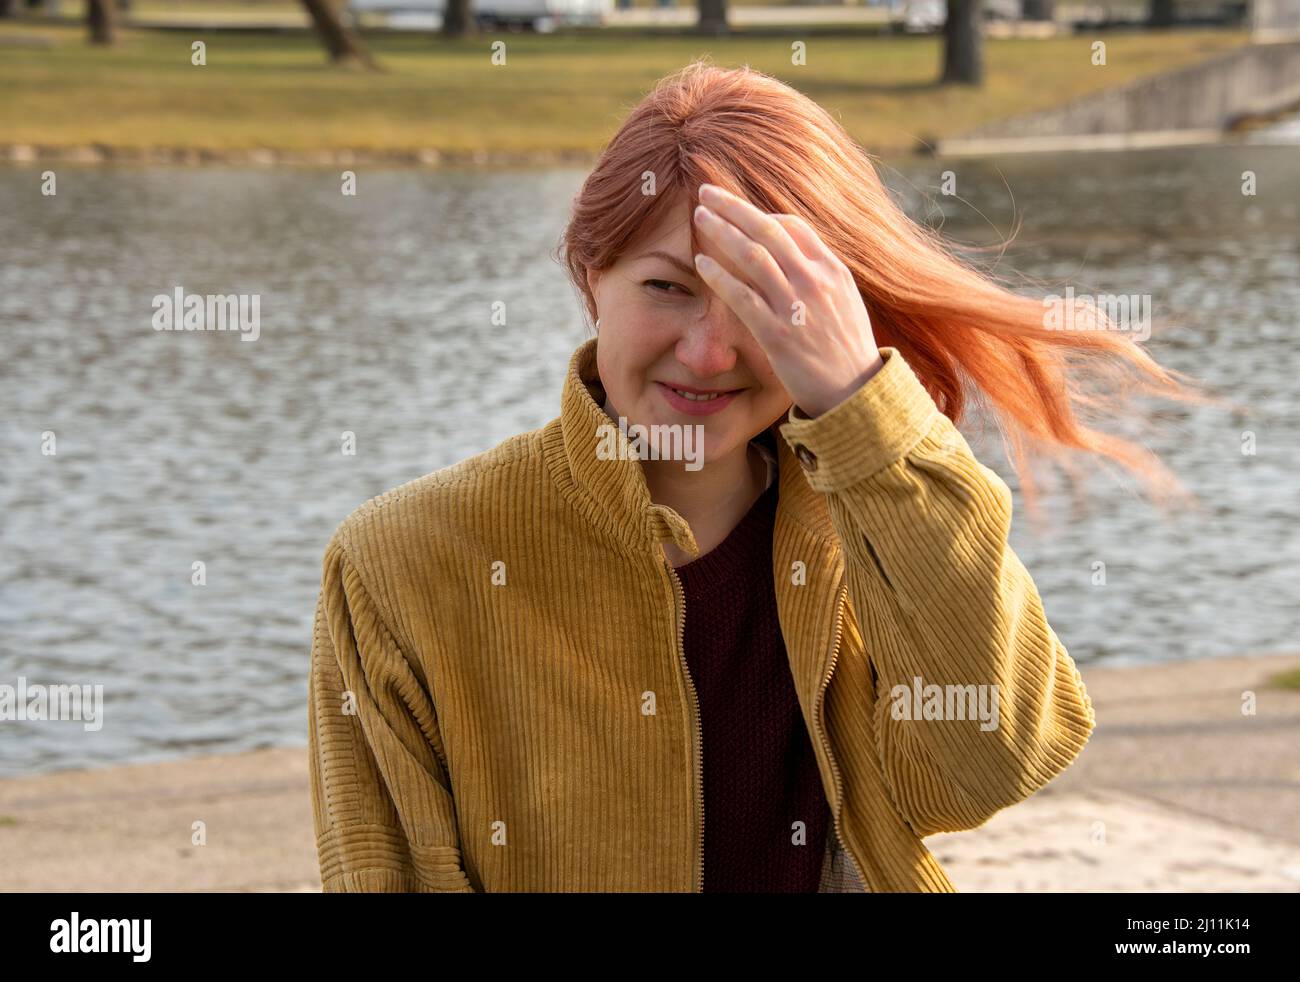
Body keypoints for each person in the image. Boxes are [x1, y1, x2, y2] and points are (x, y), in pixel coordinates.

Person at [307, 60, 1205, 892]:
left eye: (764, 301)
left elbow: (986, 767)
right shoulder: (400, 561)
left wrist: (865, 407)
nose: (710, 351)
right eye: (667, 287)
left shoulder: (887, 519)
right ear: (593, 276)